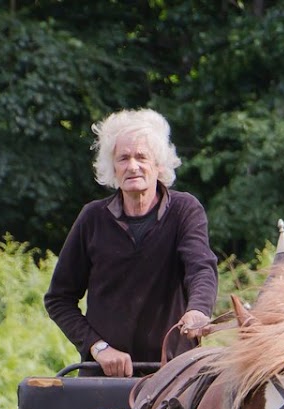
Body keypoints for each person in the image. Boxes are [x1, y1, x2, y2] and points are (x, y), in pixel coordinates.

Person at [45, 109, 218, 377]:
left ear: (158, 165)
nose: (133, 166)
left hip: (174, 376)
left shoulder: (185, 210)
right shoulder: (92, 218)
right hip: (105, 380)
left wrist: (198, 310)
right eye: (123, 158)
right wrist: (98, 348)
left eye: (141, 157)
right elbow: (59, 298)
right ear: (112, 168)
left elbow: (201, 268)